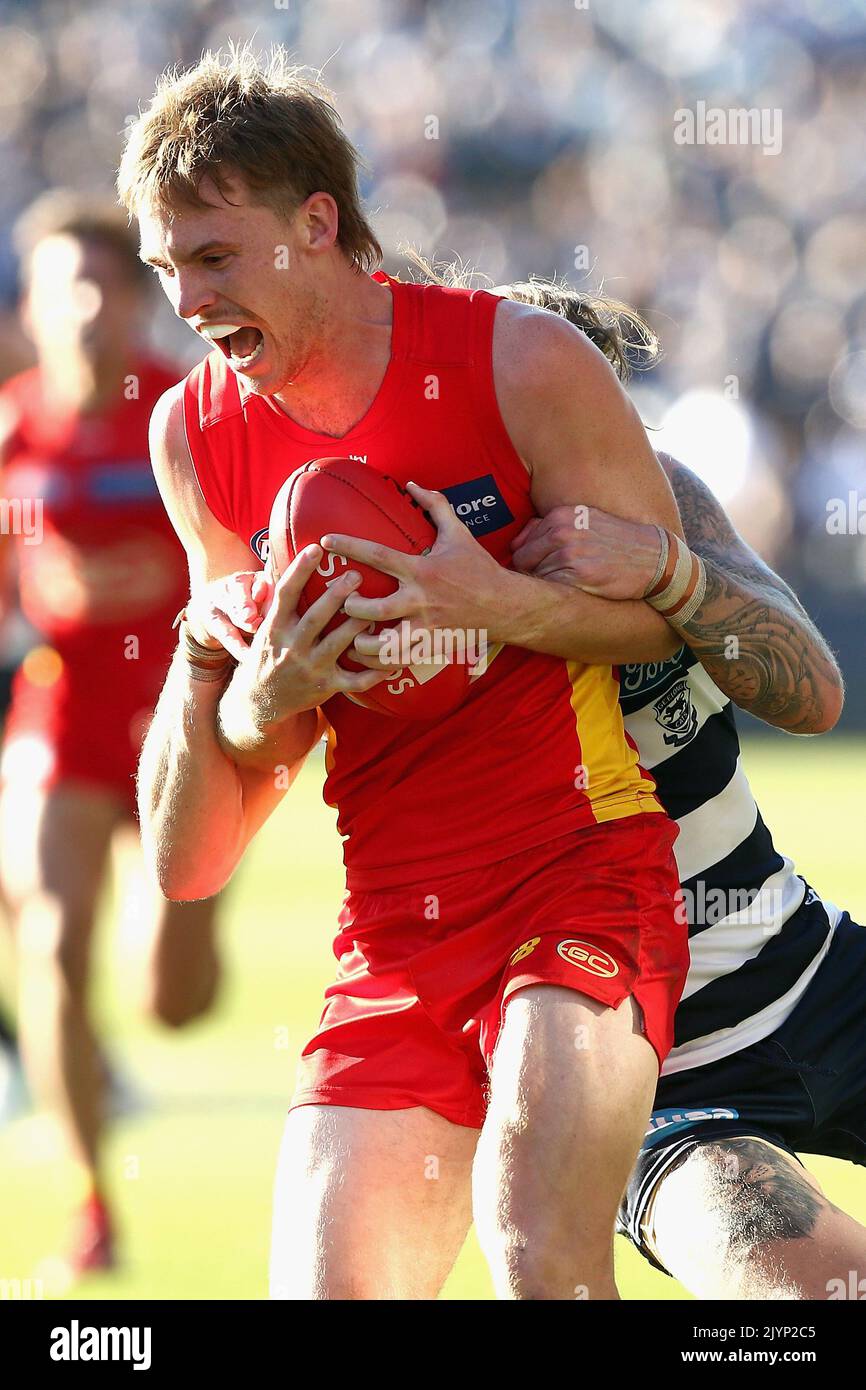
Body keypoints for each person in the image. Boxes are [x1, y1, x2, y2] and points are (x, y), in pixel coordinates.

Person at [120, 45, 693, 1301]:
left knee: (539, 1255)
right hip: (390, 929)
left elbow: (668, 624)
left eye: (213, 257)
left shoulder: (520, 361)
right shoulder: (195, 433)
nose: (186, 301)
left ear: (315, 222)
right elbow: (193, 854)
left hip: (579, 871)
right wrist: (258, 698)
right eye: (167, 269)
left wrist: (495, 605)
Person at [498, 277, 863, 1301]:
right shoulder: (436, 569)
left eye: (611, 418)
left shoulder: (663, 494)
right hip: (657, 1075)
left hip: (814, 969)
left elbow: (813, 691)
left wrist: (667, 567)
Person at [0, 192, 222, 1273]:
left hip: (182, 717)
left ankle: (186, 929)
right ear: (32, 308)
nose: (86, 307)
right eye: (63, 287)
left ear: (138, 298)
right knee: (47, 940)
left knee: (171, 1004)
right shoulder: (10, 431)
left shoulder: (190, 413)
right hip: (61, 709)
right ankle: (92, 1211)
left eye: (106, 284)